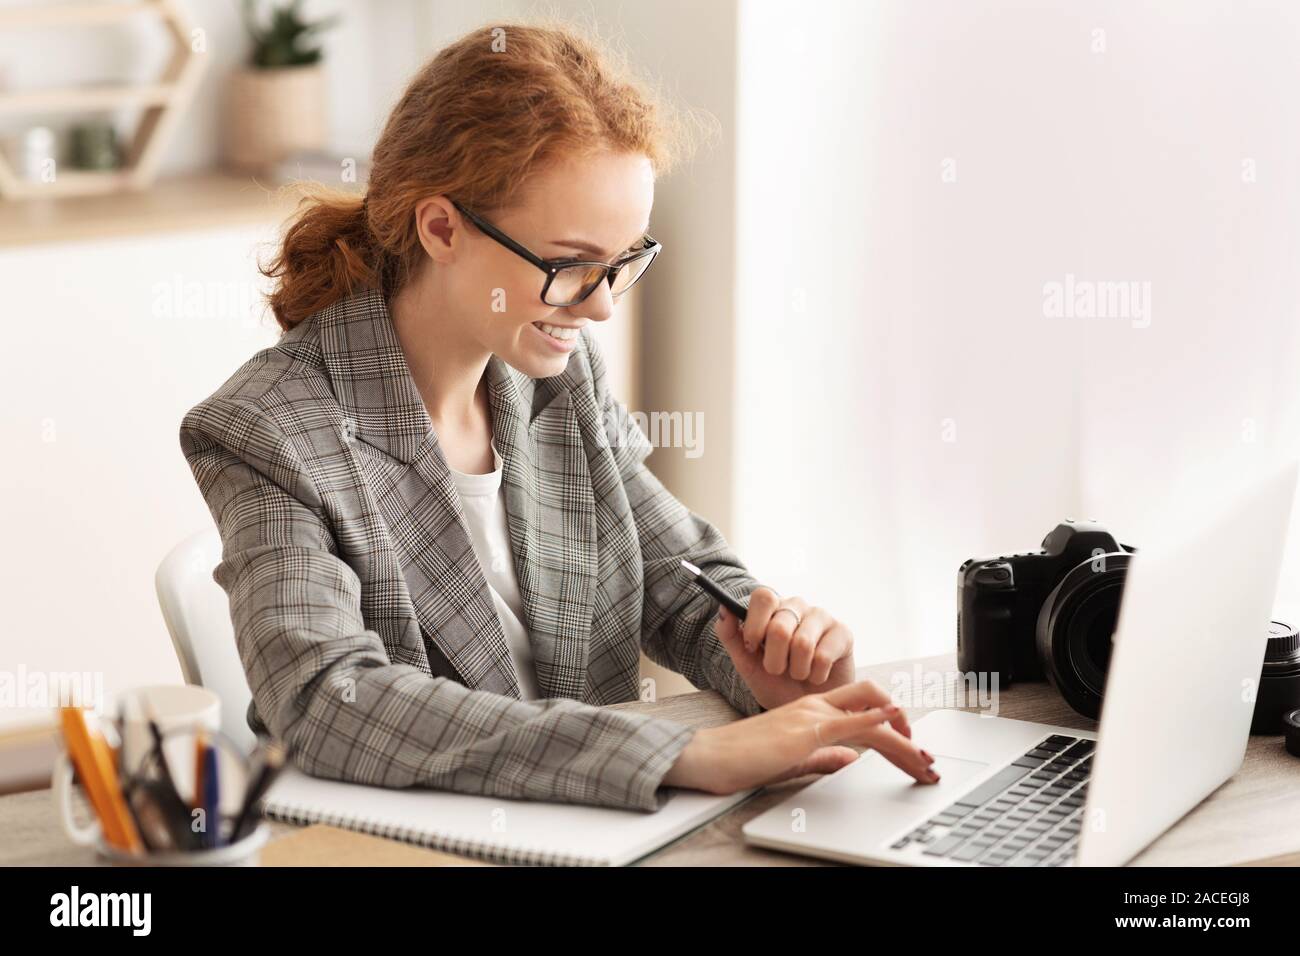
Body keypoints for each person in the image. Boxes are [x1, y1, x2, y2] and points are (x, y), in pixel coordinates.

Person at [179, 20, 938, 813]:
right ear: (441, 228)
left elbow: (676, 580)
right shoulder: (267, 428)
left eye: (620, 265)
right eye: (572, 265)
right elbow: (327, 701)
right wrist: (677, 750)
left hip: (600, 835)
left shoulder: (554, 379)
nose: (603, 306)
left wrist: (776, 658)